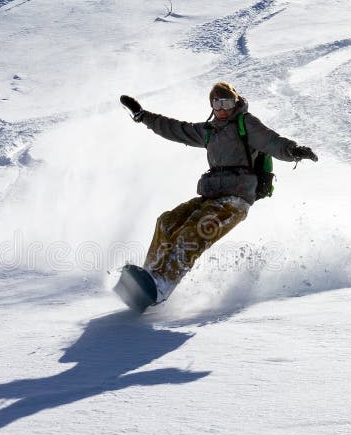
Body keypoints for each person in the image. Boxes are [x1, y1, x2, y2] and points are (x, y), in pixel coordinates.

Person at [118, 82, 318, 306]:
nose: (223, 109)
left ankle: (162, 285)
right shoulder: (208, 131)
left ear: (235, 103)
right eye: (217, 104)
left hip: (236, 200)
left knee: (193, 231)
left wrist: (293, 150)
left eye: (227, 103)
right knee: (167, 222)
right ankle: (150, 275)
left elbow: (271, 140)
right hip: (211, 197)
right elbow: (175, 129)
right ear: (211, 105)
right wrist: (142, 116)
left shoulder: (246, 123)